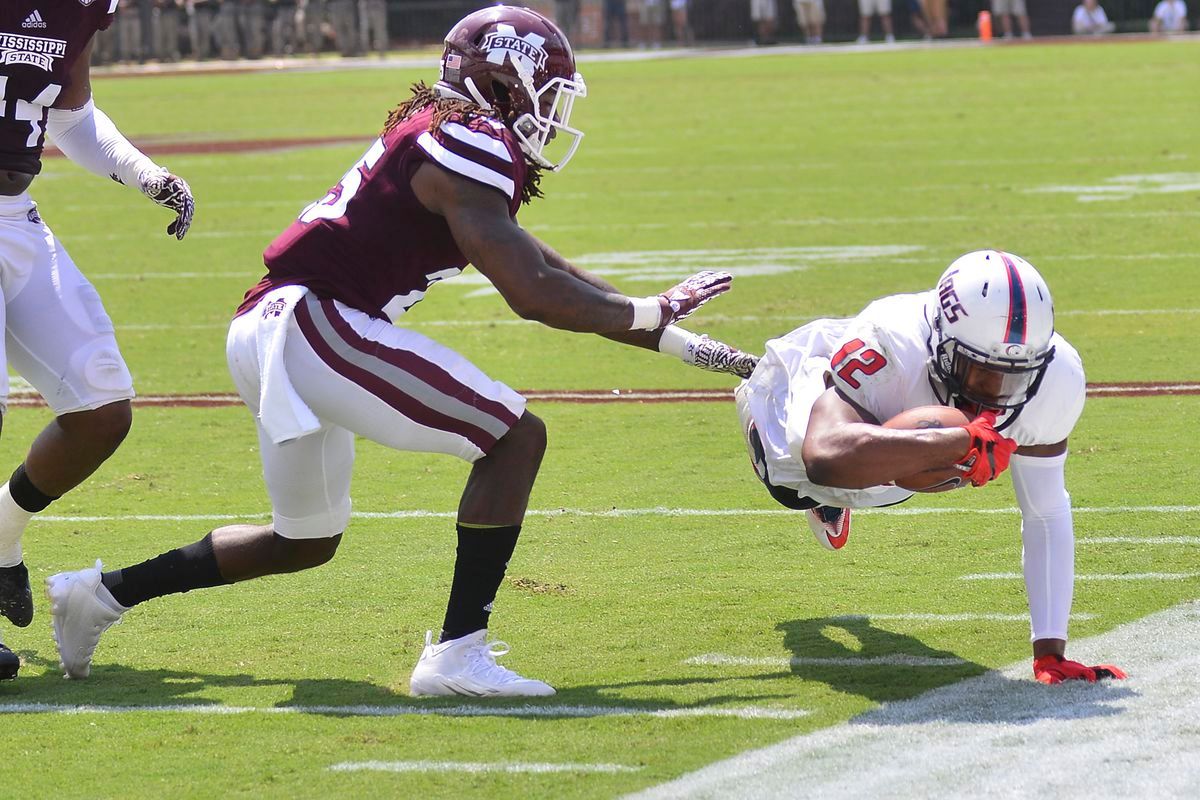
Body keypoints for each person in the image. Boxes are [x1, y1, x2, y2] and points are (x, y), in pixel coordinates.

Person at [46, 6, 755, 696]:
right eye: (548, 90)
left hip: (278, 326)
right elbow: (533, 292)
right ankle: (457, 654)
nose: (553, 111)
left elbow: (548, 269)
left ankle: (100, 596)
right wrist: (647, 312)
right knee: (513, 439)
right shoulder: (472, 142)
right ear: (505, 81)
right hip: (316, 326)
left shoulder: (445, 131)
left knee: (306, 539)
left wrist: (669, 332)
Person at [734, 250, 1127, 685]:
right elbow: (825, 455)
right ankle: (762, 410)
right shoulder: (891, 340)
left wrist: (1050, 652)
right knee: (796, 485)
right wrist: (957, 440)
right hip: (820, 411)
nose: (996, 394)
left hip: (896, 452)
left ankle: (865, 477)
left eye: (1013, 377)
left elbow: (1047, 509)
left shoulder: (1057, 378)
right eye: (980, 374)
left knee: (905, 478)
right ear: (941, 343)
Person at [0, 1, 194, 679]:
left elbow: (72, 116)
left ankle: (0, 540)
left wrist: (146, 174)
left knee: (100, 406)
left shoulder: (80, 7)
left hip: (14, 218)